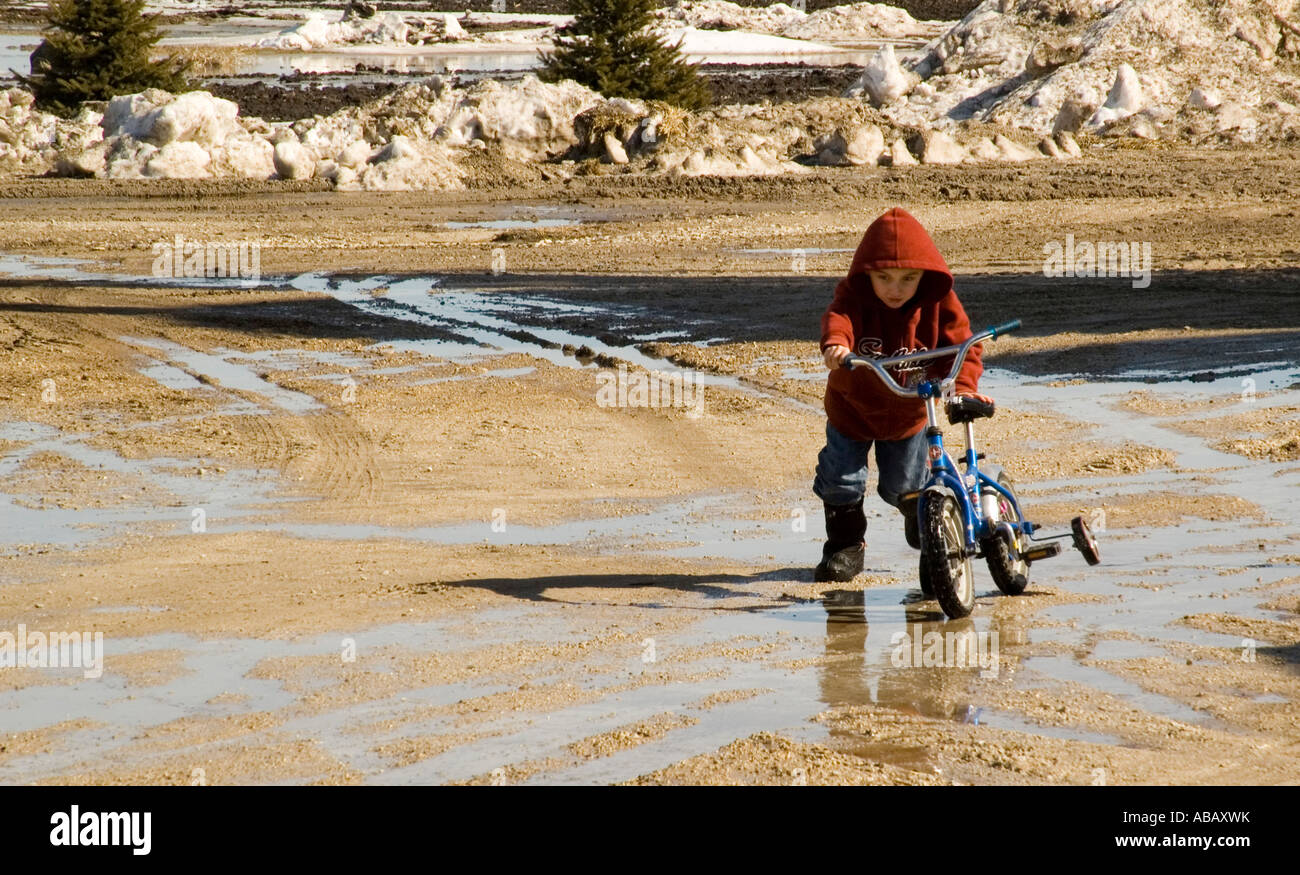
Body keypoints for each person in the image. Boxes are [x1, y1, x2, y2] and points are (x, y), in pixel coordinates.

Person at [814, 207, 994, 582]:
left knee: (906, 488)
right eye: (884, 278)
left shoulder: (939, 303)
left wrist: (963, 387)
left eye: (907, 279)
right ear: (868, 274)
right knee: (841, 479)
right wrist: (836, 345)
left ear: (924, 277)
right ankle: (846, 546)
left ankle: (932, 540)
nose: (895, 289)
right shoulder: (855, 295)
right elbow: (839, 319)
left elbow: (965, 347)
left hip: (912, 415)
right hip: (854, 410)